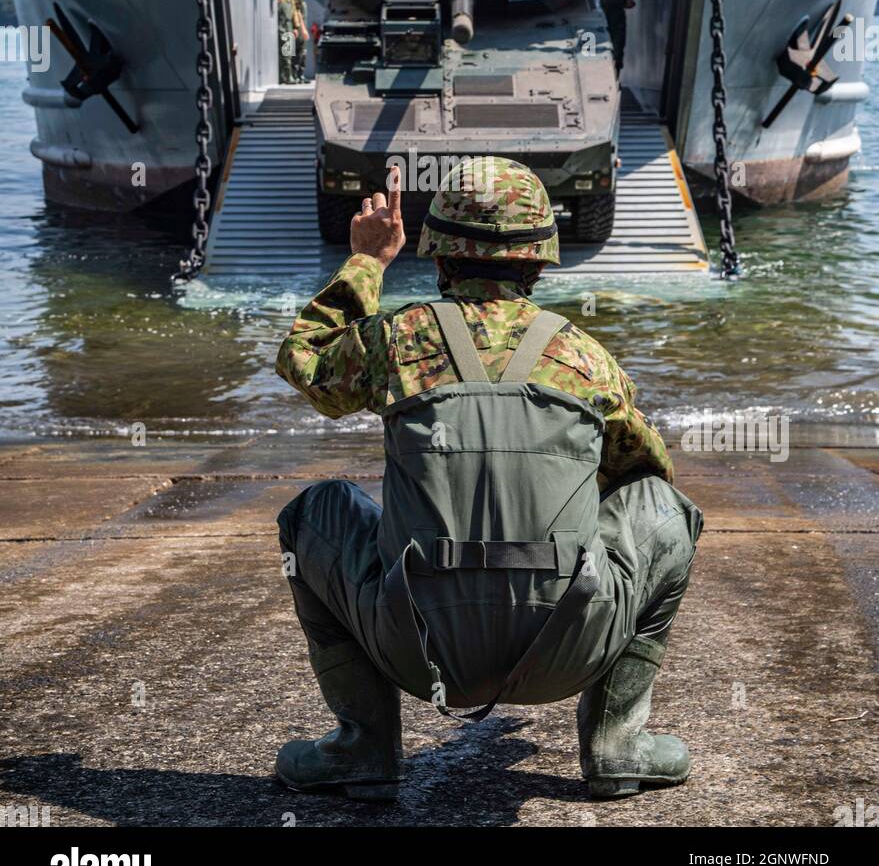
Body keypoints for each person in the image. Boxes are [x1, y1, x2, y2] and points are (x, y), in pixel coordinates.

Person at [273, 157, 702, 801]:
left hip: (415, 648)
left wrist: (368, 260)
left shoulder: (398, 339)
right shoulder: (587, 359)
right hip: (568, 647)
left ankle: (363, 747)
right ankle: (617, 743)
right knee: (665, 510)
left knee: (315, 513)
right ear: (539, 262)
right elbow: (641, 479)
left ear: (439, 258)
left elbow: (303, 360)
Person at [597, 0, 635, 75]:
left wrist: (629, 3)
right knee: (596, 51)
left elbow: (629, 1)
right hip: (601, 21)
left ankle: (616, 76)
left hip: (618, 20)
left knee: (617, 51)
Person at [276, 0, 296, 84]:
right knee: (281, 53)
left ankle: (288, 76)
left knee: (288, 52)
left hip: (288, 24)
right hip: (279, 24)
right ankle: (282, 76)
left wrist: (296, 26)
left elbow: (294, 10)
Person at [291, 0, 310, 82]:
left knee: (301, 52)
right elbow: (298, 14)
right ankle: (298, 75)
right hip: (299, 29)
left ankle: (299, 75)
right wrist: (303, 29)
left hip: (300, 28)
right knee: (299, 52)